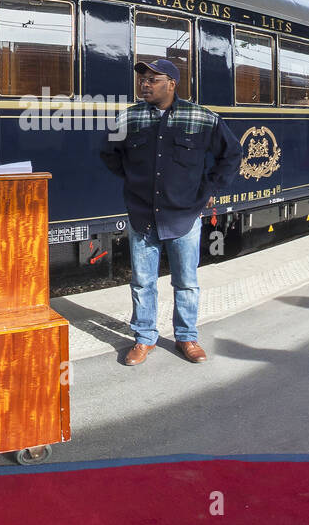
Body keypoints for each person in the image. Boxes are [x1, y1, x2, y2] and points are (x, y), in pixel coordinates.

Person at [101, 57, 239, 365]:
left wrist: (210, 190)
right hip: (142, 214)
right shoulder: (126, 119)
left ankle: (187, 337)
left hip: (184, 216)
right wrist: (136, 179)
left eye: (153, 79)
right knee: (142, 282)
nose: (144, 84)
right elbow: (108, 154)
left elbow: (231, 154)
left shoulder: (203, 118)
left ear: (172, 84)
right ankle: (143, 339)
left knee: (186, 281)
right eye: (142, 79)